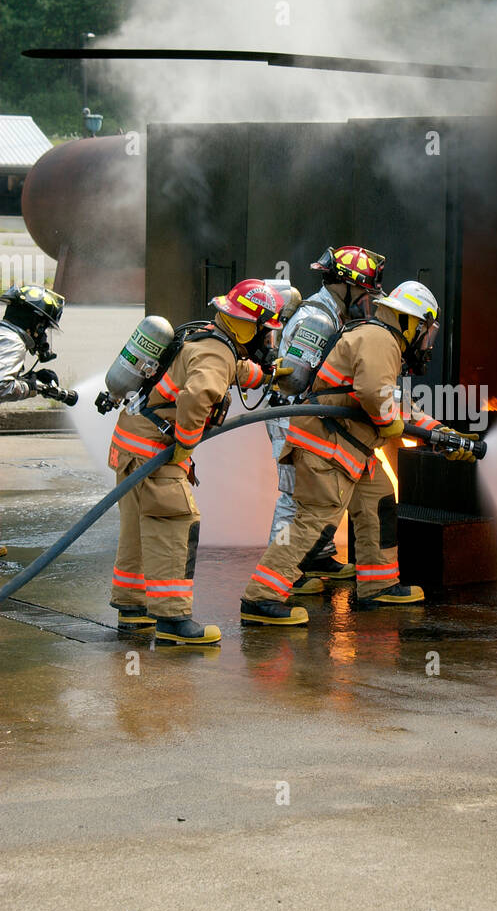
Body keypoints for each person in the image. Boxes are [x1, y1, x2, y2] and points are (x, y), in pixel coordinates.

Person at [240, 279, 447, 623]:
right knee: (311, 522)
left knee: (377, 503)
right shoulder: (381, 339)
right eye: (425, 329)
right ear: (410, 321)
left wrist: (441, 433)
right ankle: (260, 598)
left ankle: (378, 586)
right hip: (327, 450)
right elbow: (373, 394)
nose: (426, 340)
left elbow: (396, 403)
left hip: (352, 451)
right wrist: (388, 423)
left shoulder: (380, 338)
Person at [107, 279, 281, 645]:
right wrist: (186, 444)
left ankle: (133, 609)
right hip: (156, 452)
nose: (266, 339)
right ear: (248, 326)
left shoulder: (207, 337)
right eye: (264, 331)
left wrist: (266, 374)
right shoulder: (216, 353)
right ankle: (173, 621)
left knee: (140, 528)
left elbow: (230, 370)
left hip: (131, 445)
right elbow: (200, 392)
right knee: (177, 524)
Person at [265, 244, 387, 591]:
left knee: (320, 489)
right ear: (344, 285)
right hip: (292, 415)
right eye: (364, 290)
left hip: (309, 416)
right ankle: (286, 572)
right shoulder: (317, 321)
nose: (367, 299)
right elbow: (296, 382)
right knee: (295, 495)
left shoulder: (334, 314)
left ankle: (318, 554)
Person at [0, 283, 68, 557]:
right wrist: (33, 386)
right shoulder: (12, 342)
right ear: (35, 324)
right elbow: (2, 386)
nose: (43, 335)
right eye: (44, 327)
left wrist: (29, 380)